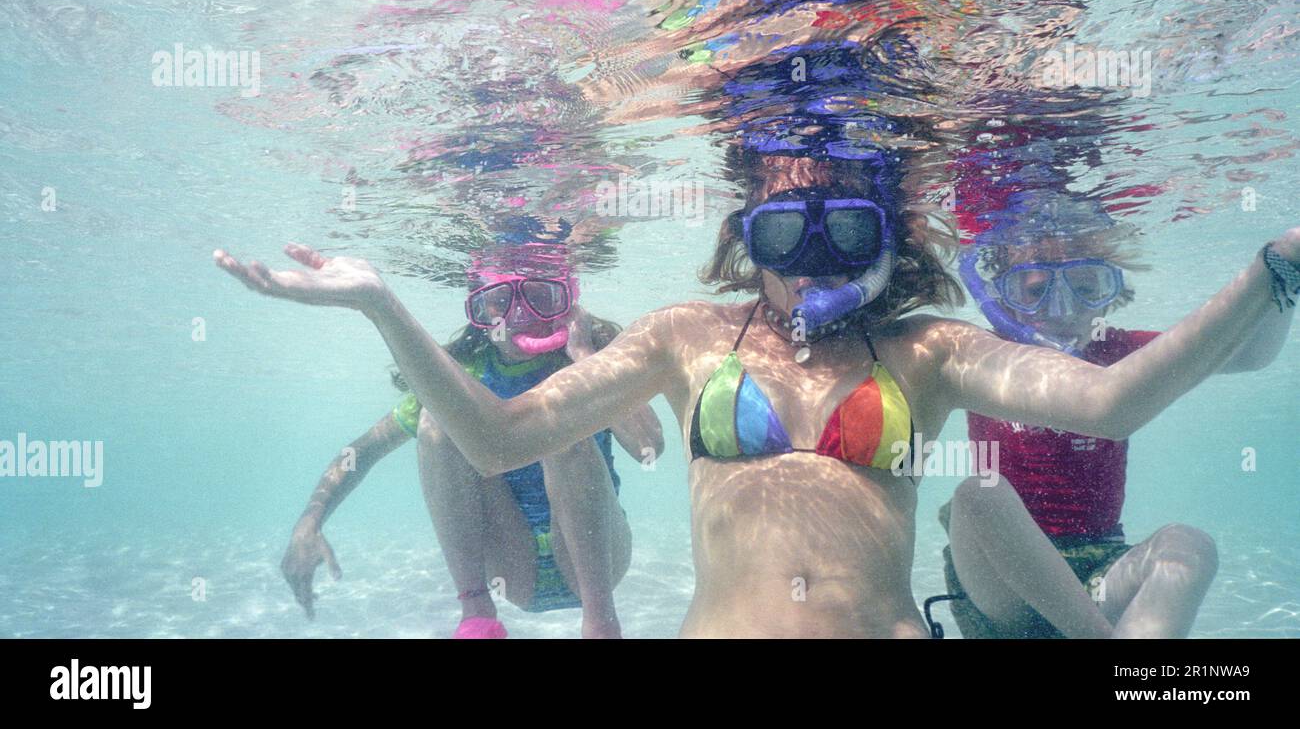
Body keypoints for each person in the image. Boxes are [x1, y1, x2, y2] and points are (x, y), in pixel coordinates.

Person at [215, 140, 1300, 637]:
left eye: (845, 230)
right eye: (784, 229)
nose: (812, 258)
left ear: (886, 240)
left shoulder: (926, 349)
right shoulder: (684, 334)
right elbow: (497, 438)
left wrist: (1270, 273)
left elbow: (1112, 401)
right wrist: (378, 304)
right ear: (748, 238)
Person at [936, 191, 1289, 638]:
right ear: (1001, 299)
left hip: (1098, 575)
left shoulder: (1118, 351)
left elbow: (1252, 354)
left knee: (1188, 546)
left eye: (1084, 289)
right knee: (978, 495)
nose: (1060, 309)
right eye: (1035, 291)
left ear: (1110, 295)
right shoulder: (984, 355)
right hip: (1004, 588)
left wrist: (1282, 276)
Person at [280, 246, 663, 639]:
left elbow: (648, 444)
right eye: (498, 303)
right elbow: (362, 451)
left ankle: (600, 622)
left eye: (539, 298)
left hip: (599, 560)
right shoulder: (465, 377)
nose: (519, 317)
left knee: (560, 429)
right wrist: (308, 524)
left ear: (565, 302)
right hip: (510, 566)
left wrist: (585, 357)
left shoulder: (591, 357)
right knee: (437, 420)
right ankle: (476, 611)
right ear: (480, 317)